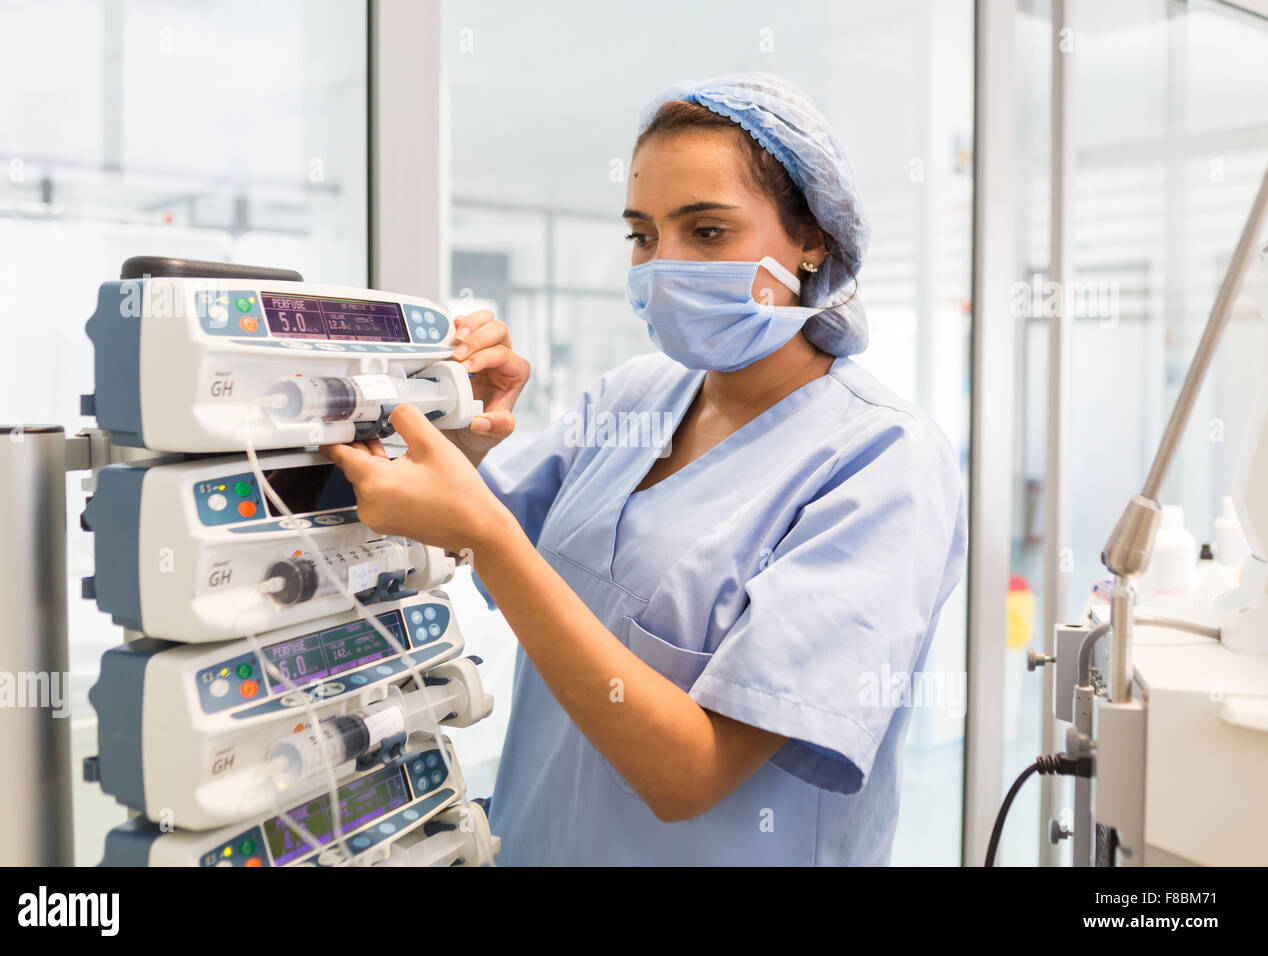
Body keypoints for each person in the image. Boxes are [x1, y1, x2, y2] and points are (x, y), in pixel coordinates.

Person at [323, 73, 967, 865]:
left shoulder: (882, 463)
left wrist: (487, 535)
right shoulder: (634, 398)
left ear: (813, 240)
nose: (663, 266)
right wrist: (461, 435)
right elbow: (486, 553)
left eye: (705, 232)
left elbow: (689, 776)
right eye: (642, 234)